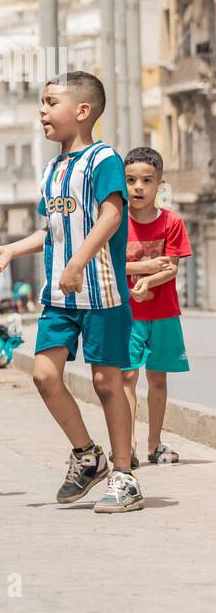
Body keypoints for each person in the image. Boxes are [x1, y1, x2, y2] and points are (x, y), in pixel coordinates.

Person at [0, 71, 143, 513]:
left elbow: (110, 217)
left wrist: (77, 263)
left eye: (51, 103)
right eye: (42, 104)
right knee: (44, 375)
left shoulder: (104, 158)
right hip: (60, 296)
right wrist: (11, 250)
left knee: (107, 382)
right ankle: (88, 456)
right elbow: (52, 231)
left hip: (101, 291)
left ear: (82, 111)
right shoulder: (52, 169)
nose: (42, 112)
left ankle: (125, 476)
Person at [122, 146, 190, 466]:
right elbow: (109, 263)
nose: (138, 187)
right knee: (127, 379)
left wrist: (148, 282)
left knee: (158, 379)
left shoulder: (172, 223)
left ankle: (154, 443)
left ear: (159, 184)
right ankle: (128, 444)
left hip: (163, 313)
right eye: (131, 180)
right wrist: (147, 270)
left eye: (146, 180)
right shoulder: (116, 222)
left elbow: (172, 267)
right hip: (127, 315)